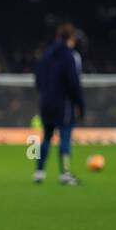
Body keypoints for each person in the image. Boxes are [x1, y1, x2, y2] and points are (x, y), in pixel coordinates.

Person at [33, 22, 84, 185]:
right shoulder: (70, 56)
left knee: (46, 137)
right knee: (65, 137)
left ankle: (39, 172)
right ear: (71, 38)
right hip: (64, 103)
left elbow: (37, 78)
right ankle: (65, 174)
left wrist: (46, 93)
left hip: (46, 102)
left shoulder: (46, 54)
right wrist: (80, 104)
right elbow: (74, 82)